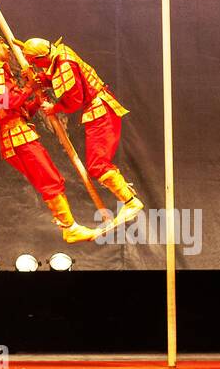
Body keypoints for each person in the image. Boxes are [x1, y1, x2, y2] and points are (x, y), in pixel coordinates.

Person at [0, 29, 97, 244]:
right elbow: (4, 103)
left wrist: (36, 100)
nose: (6, 47)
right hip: (16, 136)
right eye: (1, 44)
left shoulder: (1, 73)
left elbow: (16, 109)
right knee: (48, 179)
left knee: (51, 178)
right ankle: (70, 228)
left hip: (20, 130)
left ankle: (70, 226)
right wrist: (29, 87)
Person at [19, 36, 143, 227]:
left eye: (34, 62)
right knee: (97, 165)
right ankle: (128, 201)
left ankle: (130, 202)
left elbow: (74, 97)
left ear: (42, 57)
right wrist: (39, 80)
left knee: (98, 164)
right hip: (97, 110)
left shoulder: (65, 64)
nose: (35, 66)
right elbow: (55, 77)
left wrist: (55, 108)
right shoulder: (60, 55)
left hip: (100, 110)